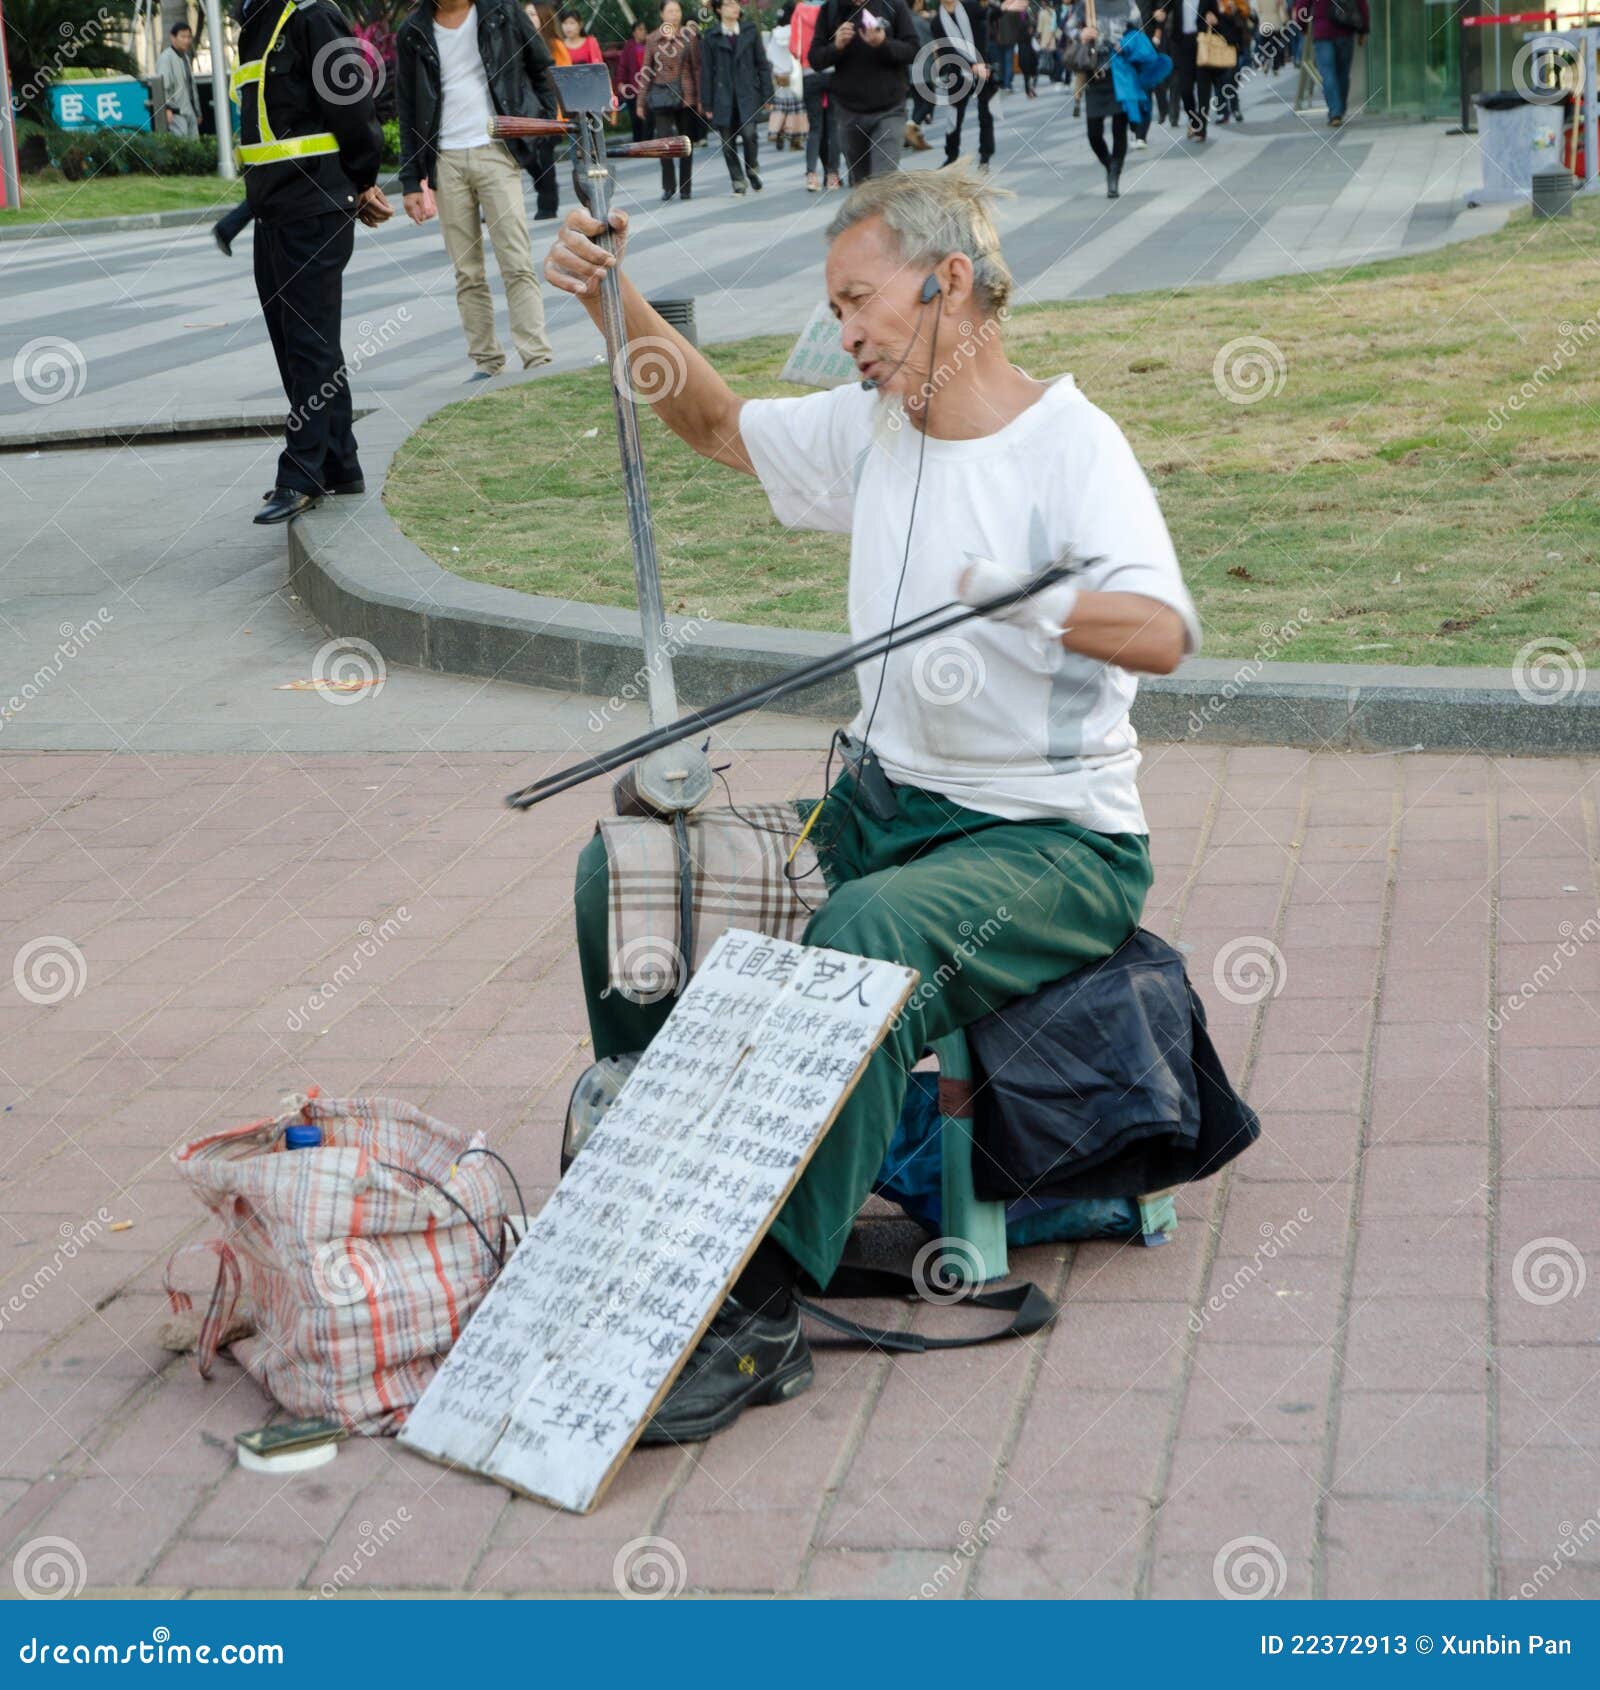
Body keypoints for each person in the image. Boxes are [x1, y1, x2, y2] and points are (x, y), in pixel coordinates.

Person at [543, 165, 1197, 1445]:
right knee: (623, 868)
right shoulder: (875, 426)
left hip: (1053, 845)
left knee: (868, 941)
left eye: (859, 301)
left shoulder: (1069, 444)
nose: (843, 331)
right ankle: (656, 1189)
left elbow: (1163, 633)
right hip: (884, 806)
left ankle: (758, 1306)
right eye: (834, 308)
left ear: (949, 282)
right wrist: (614, 301)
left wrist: (1030, 596)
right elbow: (721, 425)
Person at [237, 0, 391, 525]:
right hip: (273, 207)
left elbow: (352, 106)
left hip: (314, 206)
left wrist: (360, 180)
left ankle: (301, 472)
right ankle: (339, 462)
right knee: (298, 340)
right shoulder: (254, 23)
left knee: (310, 342)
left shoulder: (311, 16)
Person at [397, 0, 559, 383]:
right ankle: (487, 360)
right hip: (445, 159)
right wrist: (410, 181)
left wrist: (540, 122)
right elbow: (407, 104)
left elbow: (541, 66)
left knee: (516, 260)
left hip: (496, 149)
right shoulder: (413, 31)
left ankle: (536, 356)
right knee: (467, 271)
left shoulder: (502, 12)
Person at [809, 0, 921, 185]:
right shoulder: (831, 10)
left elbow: (914, 51)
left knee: (882, 183)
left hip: (889, 110)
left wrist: (883, 43)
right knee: (862, 187)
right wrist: (836, 46)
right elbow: (815, 59)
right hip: (849, 113)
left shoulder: (893, 6)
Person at [1066, 0, 1140, 196]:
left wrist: (1126, 43)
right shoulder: (1086, 4)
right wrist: (1080, 34)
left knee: (1119, 128)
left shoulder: (1127, 4)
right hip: (1095, 74)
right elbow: (1068, 27)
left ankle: (1115, 173)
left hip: (1119, 74)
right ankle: (1109, 164)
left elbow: (1138, 29)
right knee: (1093, 133)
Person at [701, 0, 774, 194]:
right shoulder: (711, 36)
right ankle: (738, 180)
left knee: (750, 135)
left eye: (736, 4)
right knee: (727, 143)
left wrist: (768, 95)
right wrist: (706, 102)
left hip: (747, 94)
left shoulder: (749, 31)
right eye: (729, 4)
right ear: (718, 10)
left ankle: (751, 168)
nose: (735, 8)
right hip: (722, 97)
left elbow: (763, 66)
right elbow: (706, 72)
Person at [638, 0, 702, 201]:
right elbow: (646, 72)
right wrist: (640, 102)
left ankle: (685, 187)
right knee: (664, 144)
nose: (674, 14)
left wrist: (700, 98)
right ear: (662, 15)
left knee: (685, 144)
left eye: (677, 10)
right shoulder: (652, 39)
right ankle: (668, 186)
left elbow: (696, 68)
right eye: (670, 11)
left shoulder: (689, 36)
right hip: (661, 96)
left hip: (686, 96)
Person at [930, 0, 994, 170]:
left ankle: (985, 156)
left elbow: (983, 31)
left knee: (985, 113)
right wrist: (968, 64)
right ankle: (951, 156)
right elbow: (945, 50)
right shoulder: (937, 21)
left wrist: (980, 62)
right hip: (957, 72)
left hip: (982, 68)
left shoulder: (971, 7)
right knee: (953, 116)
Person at [791, 0, 842, 189]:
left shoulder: (799, 11)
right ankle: (833, 175)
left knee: (815, 128)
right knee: (833, 127)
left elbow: (793, 47)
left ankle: (811, 174)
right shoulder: (830, 9)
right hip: (831, 71)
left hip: (809, 73)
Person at [1294, 0, 1365, 127]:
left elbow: (1302, 5)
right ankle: (1340, 109)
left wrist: (1302, 25)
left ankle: (1335, 111)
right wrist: (1364, 29)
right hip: (1345, 29)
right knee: (1343, 73)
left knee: (1327, 72)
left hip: (1323, 32)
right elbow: (1361, 3)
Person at [767, 4, 810, 150]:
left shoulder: (774, 33)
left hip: (779, 76)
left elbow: (769, 55)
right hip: (794, 75)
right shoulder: (797, 31)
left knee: (781, 107)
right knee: (796, 108)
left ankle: (777, 131)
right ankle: (794, 140)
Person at [157, 21, 200, 138]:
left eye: (188, 37)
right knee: (181, 146)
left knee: (194, 148)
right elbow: (163, 85)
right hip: (176, 112)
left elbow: (191, 87)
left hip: (189, 112)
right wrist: (166, 108)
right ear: (173, 37)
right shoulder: (166, 58)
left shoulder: (185, 57)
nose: (186, 40)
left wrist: (197, 112)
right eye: (183, 37)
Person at [618, 19, 652, 142]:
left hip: (648, 86)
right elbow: (623, 66)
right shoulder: (629, 46)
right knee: (635, 117)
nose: (643, 32)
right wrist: (621, 82)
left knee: (649, 116)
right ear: (634, 32)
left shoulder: (650, 44)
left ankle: (649, 142)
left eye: (644, 29)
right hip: (633, 87)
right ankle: (637, 142)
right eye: (640, 29)